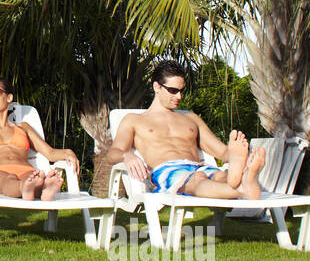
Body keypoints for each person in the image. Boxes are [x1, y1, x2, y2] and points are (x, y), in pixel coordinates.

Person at [105, 59, 265, 199]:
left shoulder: (191, 118)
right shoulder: (134, 120)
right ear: (157, 87)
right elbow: (113, 154)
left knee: (220, 175)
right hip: (168, 170)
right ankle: (243, 188)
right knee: (195, 180)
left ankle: (242, 180)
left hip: (200, 167)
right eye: (173, 91)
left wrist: (239, 156)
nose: (179, 97)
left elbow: (221, 152)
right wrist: (128, 156)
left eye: (181, 91)